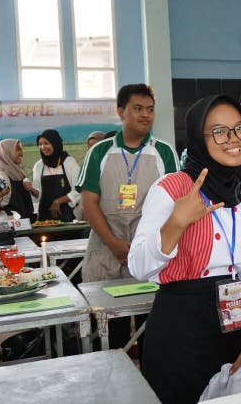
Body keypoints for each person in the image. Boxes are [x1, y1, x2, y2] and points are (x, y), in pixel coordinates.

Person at [129, 95, 241, 404]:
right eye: (219, 131)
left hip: (237, 326)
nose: (233, 139)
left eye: (240, 128)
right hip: (179, 329)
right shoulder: (171, 188)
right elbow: (137, 266)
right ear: (197, 137)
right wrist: (176, 222)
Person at [76, 83, 178, 349]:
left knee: (153, 333)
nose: (146, 115)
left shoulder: (163, 152)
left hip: (150, 255)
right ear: (121, 112)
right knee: (111, 335)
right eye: (138, 108)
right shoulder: (100, 152)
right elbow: (89, 204)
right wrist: (113, 243)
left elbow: (175, 204)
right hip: (106, 252)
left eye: (150, 109)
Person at [32, 129, 81, 222]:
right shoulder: (39, 166)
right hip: (45, 219)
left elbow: (79, 190)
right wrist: (31, 190)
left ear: (55, 143)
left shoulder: (69, 162)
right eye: (40, 144)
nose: (43, 147)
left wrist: (58, 201)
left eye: (46, 143)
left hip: (68, 217)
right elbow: (38, 195)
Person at [0, 139, 37, 220]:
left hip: (22, 222)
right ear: (6, 153)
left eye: (21, 149)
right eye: (18, 149)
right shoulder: (0, 176)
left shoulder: (16, 173)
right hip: (9, 222)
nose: (22, 153)